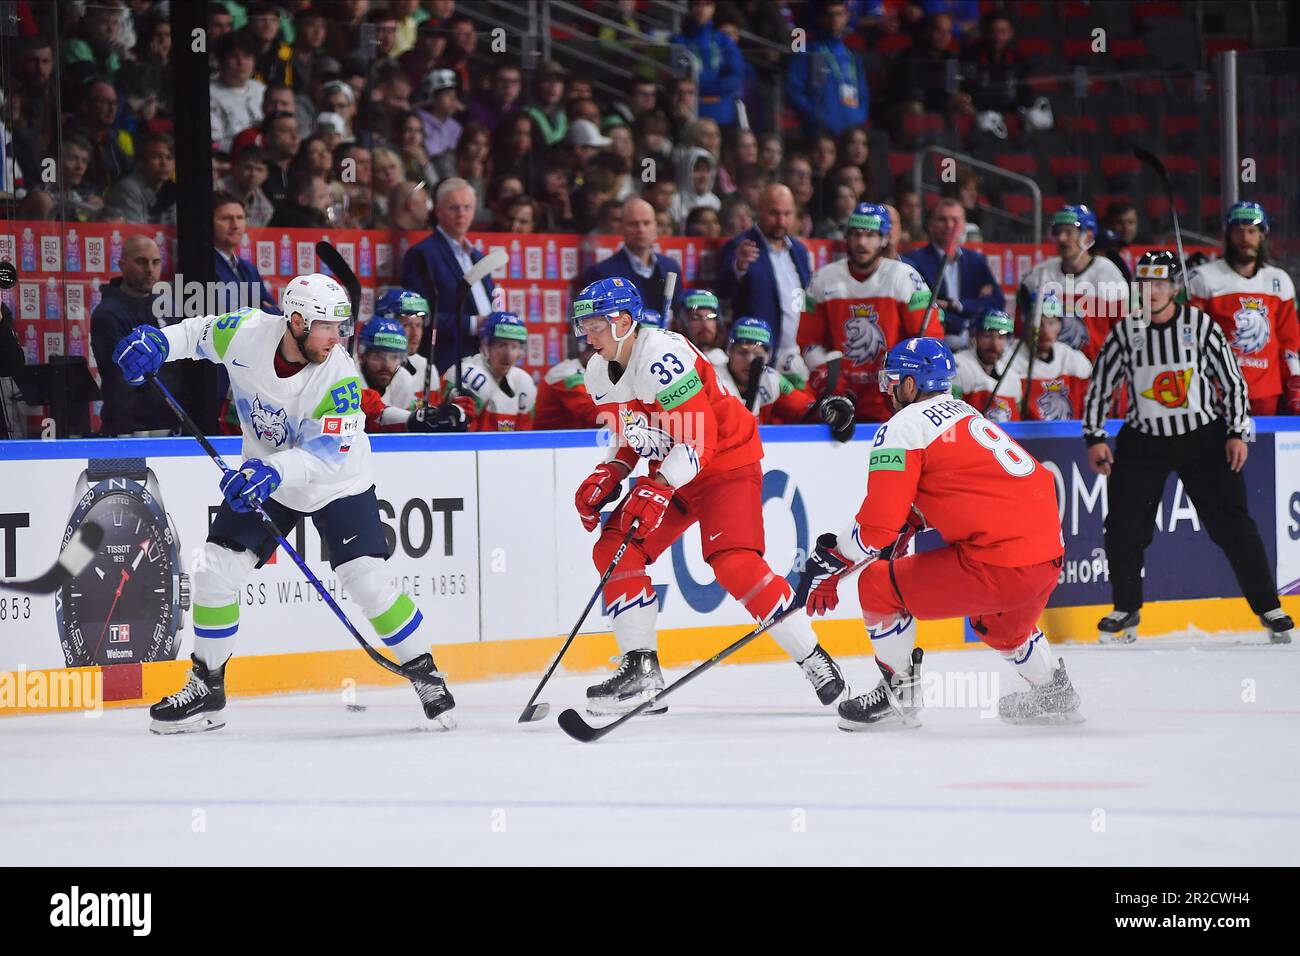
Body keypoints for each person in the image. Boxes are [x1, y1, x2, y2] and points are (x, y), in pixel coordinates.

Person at [110, 274, 456, 732]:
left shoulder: (340, 377)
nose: (337, 338)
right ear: (295, 320)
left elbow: (326, 453)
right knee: (214, 571)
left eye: (342, 327)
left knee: (366, 580)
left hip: (336, 482)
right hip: (266, 476)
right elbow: (199, 335)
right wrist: (158, 341)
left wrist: (269, 471)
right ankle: (207, 686)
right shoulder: (247, 331)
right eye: (327, 327)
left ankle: (426, 672)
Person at [571, 277, 849, 715]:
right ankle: (641, 669)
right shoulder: (597, 370)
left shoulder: (663, 357)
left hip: (727, 464)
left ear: (623, 321)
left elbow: (701, 440)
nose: (586, 335)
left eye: (594, 325)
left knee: (734, 563)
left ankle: (814, 658)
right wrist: (613, 470)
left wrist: (659, 488)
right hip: (675, 468)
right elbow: (630, 430)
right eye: (582, 326)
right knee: (615, 547)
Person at [801, 337, 1079, 730]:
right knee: (1001, 626)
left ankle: (899, 695)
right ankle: (1054, 691)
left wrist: (836, 559)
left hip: (999, 563)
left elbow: (879, 526)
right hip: (1048, 557)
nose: (889, 391)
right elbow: (957, 496)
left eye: (894, 381)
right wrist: (898, 526)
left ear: (912, 384)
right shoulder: (965, 413)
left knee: (878, 585)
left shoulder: (903, 427)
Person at [1083, 250, 1294, 646]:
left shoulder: (1200, 325)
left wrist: (1236, 432)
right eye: (1144, 283)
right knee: (1124, 528)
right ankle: (1125, 609)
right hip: (1143, 440)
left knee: (1233, 525)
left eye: (1160, 283)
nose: (1152, 290)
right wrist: (1095, 437)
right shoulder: (1127, 331)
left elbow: (1231, 381)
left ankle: (1269, 607)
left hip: (1203, 438)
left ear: (1176, 287)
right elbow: (1100, 384)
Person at [800, 203, 942, 420]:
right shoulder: (822, 279)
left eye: (871, 235)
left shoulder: (905, 277)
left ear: (885, 238)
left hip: (891, 397)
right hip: (840, 395)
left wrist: (902, 381)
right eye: (855, 234)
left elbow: (928, 340)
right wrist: (831, 382)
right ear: (846, 237)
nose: (862, 242)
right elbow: (809, 342)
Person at [1186, 201, 1300, 416]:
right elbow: (1189, 337)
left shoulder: (1279, 281)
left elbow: (1289, 341)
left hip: (1266, 393)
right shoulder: (1203, 278)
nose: (1245, 238)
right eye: (1238, 231)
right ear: (1228, 235)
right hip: (1217, 391)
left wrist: (1295, 379)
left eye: (1252, 231)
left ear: (1262, 235)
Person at [90, 235, 186, 436]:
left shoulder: (168, 307)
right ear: (122, 265)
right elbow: (120, 373)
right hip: (127, 428)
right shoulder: (107, 313)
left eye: (156, 262)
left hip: (169, 424)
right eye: (141, 262)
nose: (150, 269)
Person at [400, 177, 497, 374]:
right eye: (454, 207)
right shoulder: (423, 254)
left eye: (467, 207)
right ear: (438, 211)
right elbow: (420, 316)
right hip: (447, 362)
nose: (461, 214)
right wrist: (472, 324)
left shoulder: (478, 257)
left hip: (485, 362)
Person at [717, 184, 812, 378]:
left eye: (787, 214)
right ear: (758, 211)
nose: (781, 221)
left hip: (795, 357)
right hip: (755, 358)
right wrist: (739, 266)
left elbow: (805, 298)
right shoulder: (740, 246)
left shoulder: (799, 251)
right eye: (774, 213)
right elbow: (722, 291)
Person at [1017, 203, 1128, 362]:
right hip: (1051, 375)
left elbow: (1124, 333)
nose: (1061, 238)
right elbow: (1022, 331)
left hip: (1096, 374)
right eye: (1057, 232)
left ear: (1088, 236)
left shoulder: (1108, 275)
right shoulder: (1038, 276)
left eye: (1069, 232)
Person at [714, 316, 855, 436]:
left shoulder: (772, 379)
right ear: (729, 352)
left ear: (768, 357)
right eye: (743, 353)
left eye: (758, 354)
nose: (751, 360)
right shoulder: (711, 380)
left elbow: (803, 407)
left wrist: (827, 410)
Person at [902, 198, 1003, 350]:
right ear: (930, 225)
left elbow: (996, 302)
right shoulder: (913, 262)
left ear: (964, 225)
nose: (949, 225)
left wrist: (955, 305)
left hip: (972, 350)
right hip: (930, 348)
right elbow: (924, 307)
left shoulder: (977, 261)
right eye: (942, 219)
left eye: (955, 220)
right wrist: (963, 322)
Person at [355, 316, 466, 434]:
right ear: (362, 355)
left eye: (394, 357)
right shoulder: (348, 375)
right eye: (378, 356)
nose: (387, 365)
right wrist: (414, 420)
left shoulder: (403, 378)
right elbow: (374, 414)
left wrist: (432, 416)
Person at [578, 196, 685, 314]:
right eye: (633, 224)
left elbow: (678, 313)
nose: (641, 229)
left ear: (655, 227)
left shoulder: (671, 267)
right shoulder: (601, 273)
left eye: (647, 223)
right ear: (621, 228)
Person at [785, 0, 869, 139]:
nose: (834, 19)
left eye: (839, 14)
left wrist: (859, 118)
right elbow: (794, 90)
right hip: (820, 131)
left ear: (847, 16)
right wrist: (814, 114)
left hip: (851, 132)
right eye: (830, 15)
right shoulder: (808, 51)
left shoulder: (852, 57)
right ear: (821, 17)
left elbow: (863, 95)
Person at [443, 312, 536, 432]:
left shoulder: (523, 382)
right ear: (486, 346)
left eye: (514, 347)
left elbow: (523, 438)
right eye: (501, 345)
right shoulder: (468, 375)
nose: (508, 355)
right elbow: (459, 435)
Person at [1008, 293, 1092, 420]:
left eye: (1051, 323)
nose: (1045, 331)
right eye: (1039, 324)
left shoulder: (1073, 359)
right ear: (1026, 324)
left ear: (1060, 325)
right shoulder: (1008, 360)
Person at [951, 308, 1022, 421]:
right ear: (975, 336)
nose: (994, 344)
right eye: (987, 335)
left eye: (1001, 337)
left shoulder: (1012, 377)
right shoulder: (958, 365)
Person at [535, 334, 601, 430]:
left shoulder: (597, 375)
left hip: (573, 440)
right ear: (587, 352)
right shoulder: (566, 373)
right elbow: (594, 416)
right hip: (550, 441)